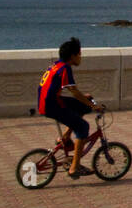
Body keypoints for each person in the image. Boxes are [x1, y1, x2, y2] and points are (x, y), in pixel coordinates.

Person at [37, 37, 104, 179]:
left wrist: (87, 100)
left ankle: (65, 138)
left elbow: (69, 91)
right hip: (52, 106)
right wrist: (93, 105)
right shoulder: (65, 68)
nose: (81, 57)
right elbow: (73, 90)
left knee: (83, 106)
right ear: (72, 56)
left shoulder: (56, 65)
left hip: (48, 102)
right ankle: (74, 167)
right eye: (79, 54)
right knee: (83, 127)